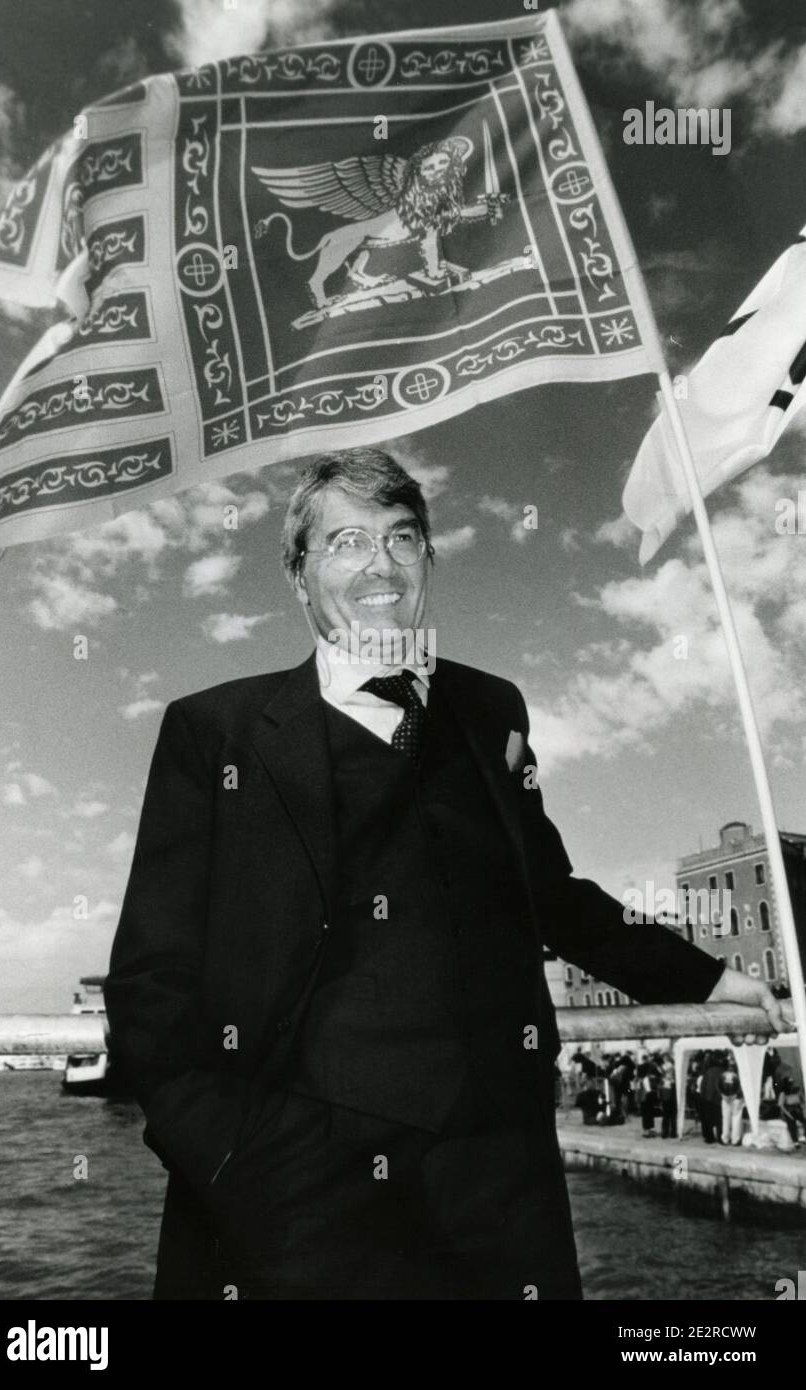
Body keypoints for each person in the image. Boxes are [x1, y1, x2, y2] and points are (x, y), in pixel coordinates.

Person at [104, 448, 784, 1301]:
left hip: (493, 1188)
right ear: (298, 574)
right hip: (294, 1196)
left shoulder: (490, 708)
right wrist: (231, 1153)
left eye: (400, 538)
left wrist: (706, 977)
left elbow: (550, 894)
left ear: (428, 560)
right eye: (345, 541)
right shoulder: (216, 732)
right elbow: (150, 975)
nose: (378, 563)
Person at [699, 1051, 725, 1144]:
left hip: (708, 1098)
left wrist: (702, 1097)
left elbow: (703, 1086)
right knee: (720, 1120)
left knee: (708, 1119)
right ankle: (720, 1137)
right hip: (719, 1098)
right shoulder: (723, 1071)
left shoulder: (708, 1072)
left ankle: (709, 1138)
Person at [719, 1055, 744, 1146]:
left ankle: (725, 1138)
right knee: (736, 1118)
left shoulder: (723, 1074)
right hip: (736, 1098)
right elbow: (741, 1087)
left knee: (726, 1119)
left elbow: (719, 1086)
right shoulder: (740, 1073)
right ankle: (735, 1139)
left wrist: (724, 1095)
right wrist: (735, 1095)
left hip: (725, 1098)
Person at [659, 1058, 677, 1139]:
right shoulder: (663, 1080)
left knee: (671, 1116)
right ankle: (666, 1132)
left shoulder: (673, 1080)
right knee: (667, 1116)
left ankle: (671, 1132)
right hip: (667, 1098)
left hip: (670, 1098)